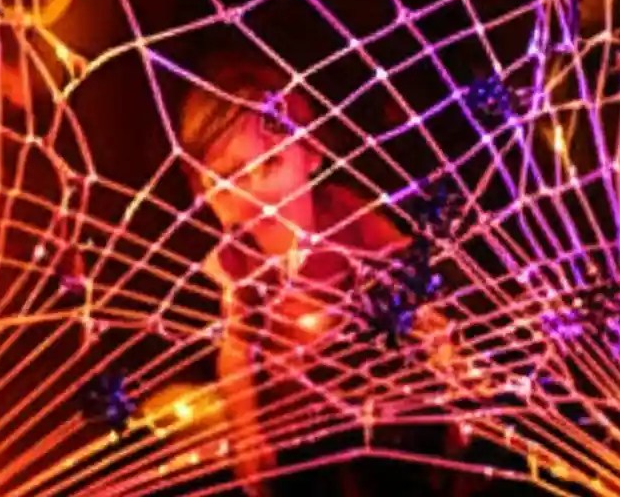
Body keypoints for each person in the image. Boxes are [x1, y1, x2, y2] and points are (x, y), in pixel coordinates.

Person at [176, 43, 461, 496]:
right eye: (230, 178)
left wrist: (437, 340)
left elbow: (410, 272)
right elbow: (236, 353)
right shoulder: (241, 261)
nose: (256, 191)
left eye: (271, 163)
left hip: (376, 408)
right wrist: (247, 432)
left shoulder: (345, 215)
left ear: (311, 153)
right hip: (299, 429)